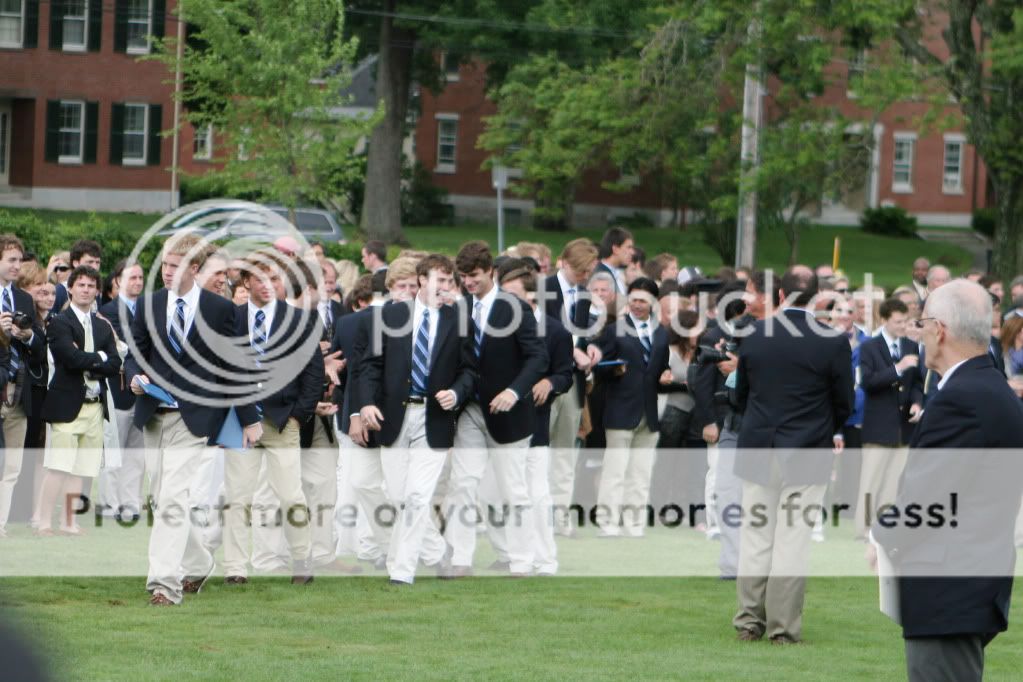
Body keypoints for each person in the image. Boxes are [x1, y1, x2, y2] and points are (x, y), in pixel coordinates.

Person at [869, 280, 1023, 682]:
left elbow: (930, 500)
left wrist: (882, 534)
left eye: (921, 323)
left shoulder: (963, 397)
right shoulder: (987, 388)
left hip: (950, 586)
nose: (917, 333)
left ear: (938, 329)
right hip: (968, 581)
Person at [126, 234, 258, 606]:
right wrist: (136, 377)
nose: (166, 272)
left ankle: (163, 585)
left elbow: (234, 367)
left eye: (174, 266)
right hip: (153, 414)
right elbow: (135, 352)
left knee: (172, 497)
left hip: (195, 418)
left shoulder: (220, 310)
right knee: (161, 498)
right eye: (164, 264)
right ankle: (199, 562)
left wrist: (248, 419)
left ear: (194, 269)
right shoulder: (148, 305)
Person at [732, 266, 853, 644]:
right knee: (792, 540)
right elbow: (844, 402)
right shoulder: (832, 341)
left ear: (781, 296)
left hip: (760, 446)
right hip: (806, 448)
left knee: (756, 538)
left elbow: (740, 395)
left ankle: (749, 621)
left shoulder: (754, 334)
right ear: (817, 298)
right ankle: (782, 628)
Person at [357, 254, 477, 584]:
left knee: (417, 497)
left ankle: (402, 571)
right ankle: (439, 553)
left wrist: (456, 392)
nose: (445, 287)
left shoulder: (459, 320)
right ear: (422, 280)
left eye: (450, 282)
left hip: (434, 416)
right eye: (440, 280)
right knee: (397, 496)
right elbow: (370, 366)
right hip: (393, 415)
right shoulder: (392, 315)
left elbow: (469, 370)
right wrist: (366, 404)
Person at [441, 241, 547, 578]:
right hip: (469, 409)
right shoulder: (457, 309)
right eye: (464, 277)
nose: (469, 283)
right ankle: (461, 558)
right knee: (463, 483)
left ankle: (522, 560)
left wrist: (515, 392)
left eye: (474, 276)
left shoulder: (515, 307)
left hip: (510, 412)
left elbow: (537, 357)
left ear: (491, 271)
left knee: (513, 488)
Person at [221, 251, 323, 586]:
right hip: (240, 420)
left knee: (291, 496)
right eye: (261, 278)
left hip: (283, 421)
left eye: (275, 278)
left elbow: (313, 374)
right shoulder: (230, 318)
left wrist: (298, 416)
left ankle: (302, 560)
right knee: (238, 496)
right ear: (246, 282)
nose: (268, 285)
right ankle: (236, 567)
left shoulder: (300, 320)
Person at [482, 260, 571, 575]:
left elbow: (565, 373)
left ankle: (545, 559)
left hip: (534, 424)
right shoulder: (491, 326)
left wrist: (550, 382)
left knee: (536, 493)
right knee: (491, 493)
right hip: (497, 424)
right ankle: (507, 553)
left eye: (514, 296)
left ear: (532, 298)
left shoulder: (555, 331)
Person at [37, 266, 120, 536]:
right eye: (81, 285)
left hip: (95, 405)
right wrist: (100, 358)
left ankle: (68, 522)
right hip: (67, 406)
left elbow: (116, 363)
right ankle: (44, 521)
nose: (86, 289)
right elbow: (69, 360)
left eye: (90, 285)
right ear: (70, 288)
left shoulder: (102, 324)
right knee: (59, 467)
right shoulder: (60, 322)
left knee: (82, 470)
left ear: (97, 290)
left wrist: (94, 360)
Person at [596, 277, 669, 538]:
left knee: (641, 472)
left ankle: (634, 524)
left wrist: (666, 374)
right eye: (634, 299)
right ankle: (608, 523)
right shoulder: (614, 330)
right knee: (614, 471)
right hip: (619, 408)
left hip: (649, 412)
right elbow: (599, 368)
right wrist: (613, 370)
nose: (638, 305)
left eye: (644, 300)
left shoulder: (661, 333)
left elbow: (660, 368)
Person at [541, 238, 601, 537]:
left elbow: (584, 335)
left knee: (566, 454)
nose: (586, 276)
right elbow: (541, 337)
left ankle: (561, 518)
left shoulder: (585, 295)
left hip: (574, 383)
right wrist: (569, 352)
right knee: (539, 453)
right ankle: (538, 518)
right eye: (583, 271)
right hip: (547, 380)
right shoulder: (543, 290)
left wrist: (591, 349)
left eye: (590, 271)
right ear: (565, 263)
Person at [857, 298, 923, 540]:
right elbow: (868, 382)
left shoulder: (910, 345)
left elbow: (917, 382)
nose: (903, 326)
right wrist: (898, 368)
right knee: (871, 480)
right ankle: (862, 528)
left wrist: (917, 402)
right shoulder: (869, 347)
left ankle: (883, 527)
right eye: (897, 322)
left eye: (905, 321)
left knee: (894, 482)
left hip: (903, 426)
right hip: (878, 425)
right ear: (884, 320)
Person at [0, 234, 45, 538]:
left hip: (19, 390)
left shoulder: (25, 299)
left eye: (20, 260)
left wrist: (26, 336)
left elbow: (41, 346)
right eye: (11, 260)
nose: (18, 265)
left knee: (13, 466)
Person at [96, 261, 146, 522]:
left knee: (137, 453)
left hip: (145, 391)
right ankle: (109, 504)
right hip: (119, 388)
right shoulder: (108, 311)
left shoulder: (149, 310)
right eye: (131, 277)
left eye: (140, 277)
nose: (137, 282)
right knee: (113, 451)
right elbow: (125, 349)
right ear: (117, 280)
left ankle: (131, 503)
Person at [649, 309, 705, 523]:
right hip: (673, 412)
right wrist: (678, 384)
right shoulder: (670, 352)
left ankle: (687, 509)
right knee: (666, 462)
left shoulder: (701, 352)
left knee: (690, 466)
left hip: (695, 414)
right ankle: (658, 507)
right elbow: (659, 382)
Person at [51, 240, 102, 314]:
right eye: (90, 262)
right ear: (76, 263)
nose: (95, 267)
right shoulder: (60, 290)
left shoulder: (94, 289)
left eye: (97, 262)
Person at [595, 227, 634, 295]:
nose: (632, 252)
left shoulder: (618, 273)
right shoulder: (599, 275)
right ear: (615, 249)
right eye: (628, 247)